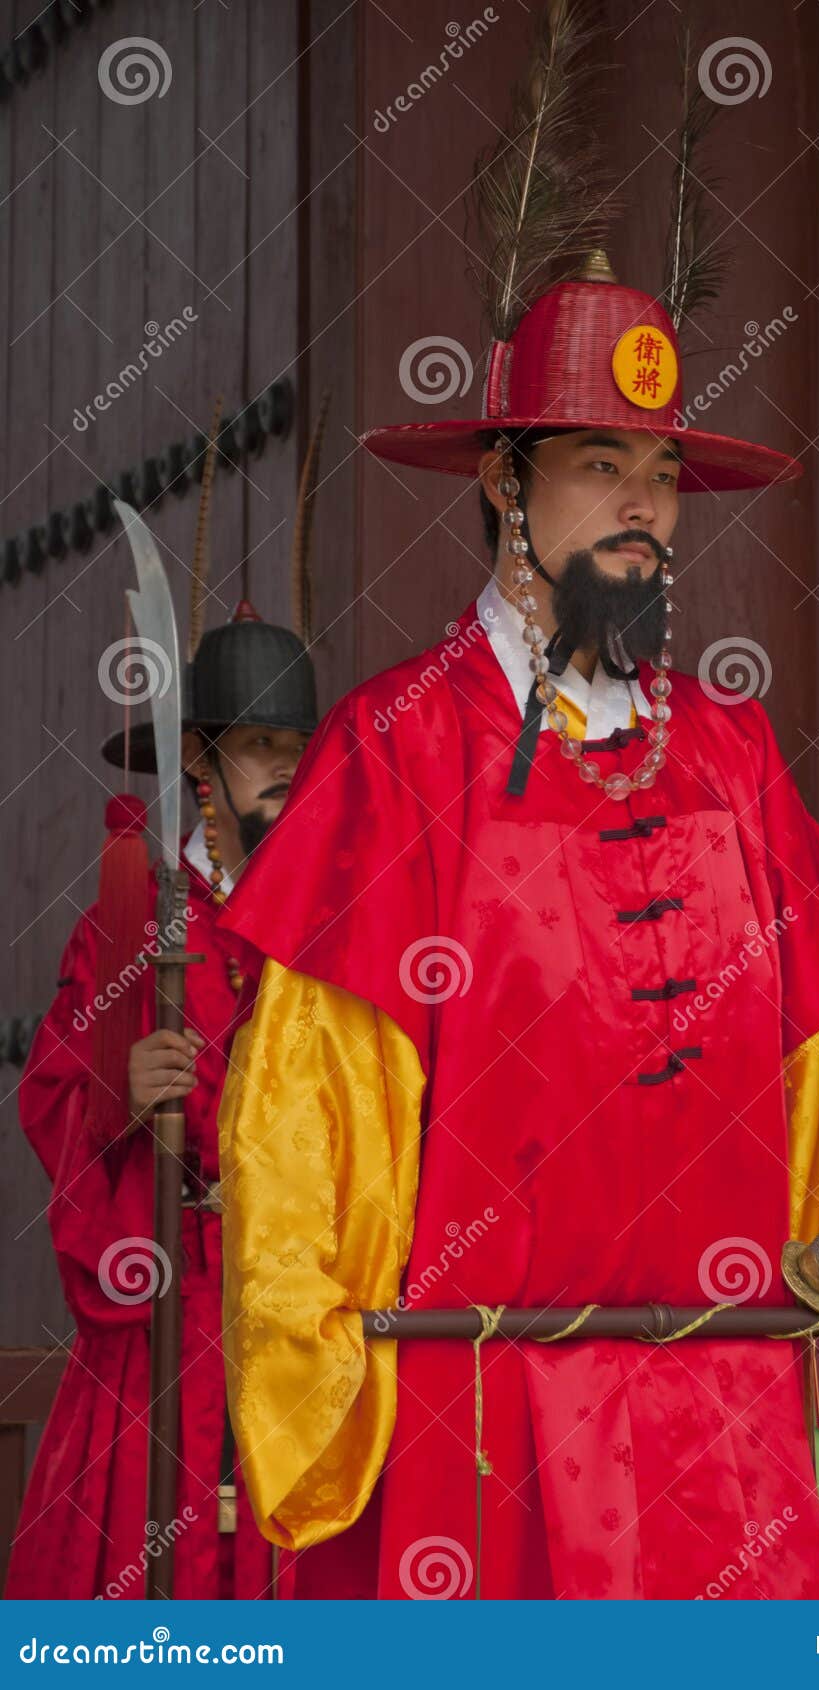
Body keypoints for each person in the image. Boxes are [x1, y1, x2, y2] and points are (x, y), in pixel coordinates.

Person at [215, 252, 819, 1600]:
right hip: (478, 1430)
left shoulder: (729, 753)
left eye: (661, 474)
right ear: (505, 479)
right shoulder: (397, 746)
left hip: (729, 1432)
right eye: (599, 462)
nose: (640, 505)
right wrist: (316, 1373)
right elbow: (306, 1117)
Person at [4, 421, 323, 1601]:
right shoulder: (132, 922)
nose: (284, 772)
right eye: (257, 750)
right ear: (198, 769)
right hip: (164, 1331)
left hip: (301, 1331)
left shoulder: (337, 931)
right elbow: (54, 1095)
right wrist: (118, 1097)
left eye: (298, 748)